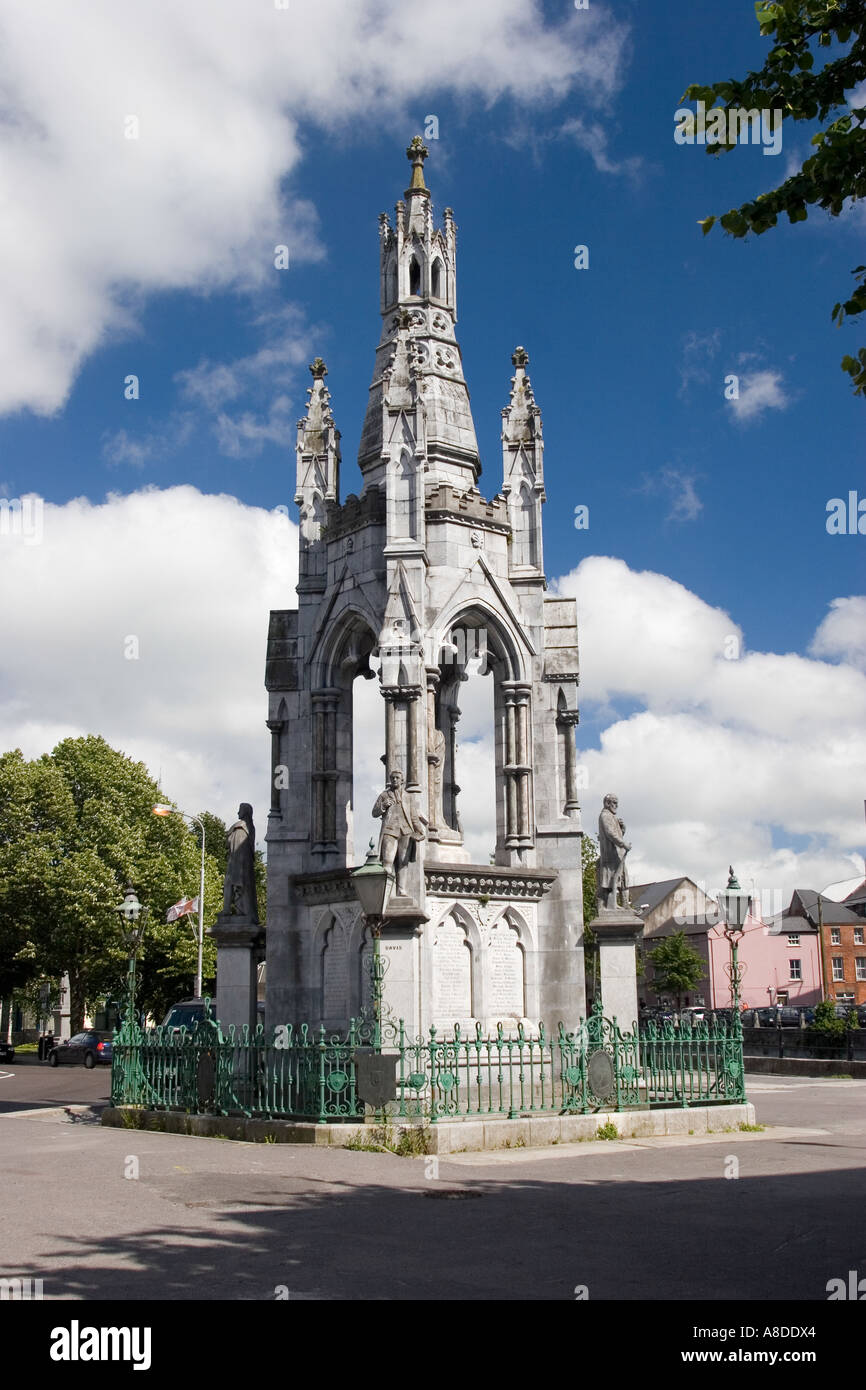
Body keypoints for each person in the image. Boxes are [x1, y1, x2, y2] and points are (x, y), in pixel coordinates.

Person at [372, 769, 426, 896]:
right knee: (388, 860)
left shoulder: (408, 797)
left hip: (406, 831)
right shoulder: (384, 795)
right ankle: (386, 891)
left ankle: (401, 890)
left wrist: (419, 830)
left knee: (403, 862)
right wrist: (383, 806)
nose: (395, 780)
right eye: (393, 778)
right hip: (390, 830)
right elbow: (374, 813)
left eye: (397, 778)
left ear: (402, 780)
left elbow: (413, 816)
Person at [223, 803, 259, 922]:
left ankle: (230, 910)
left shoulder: (240, 828)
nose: (238, 813)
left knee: (229, 883)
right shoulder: (248, 827)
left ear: (245, 812)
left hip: (237, 865)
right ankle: (232, 910)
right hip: (241, 865)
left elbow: (233, 847)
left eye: (240, 810)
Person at [597, 793, 631, 910]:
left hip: (617, 854)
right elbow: (610, 834)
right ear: (607, 803)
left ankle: (626, 904)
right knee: (611, 881)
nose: (616, 806)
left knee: (623, 879)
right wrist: (623, 843)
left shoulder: (612, 817)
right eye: (614, 803)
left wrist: (622, 829)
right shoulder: (605, 816)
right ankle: (609, 904)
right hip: (610, 855)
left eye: (617, 803)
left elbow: (617, 834)